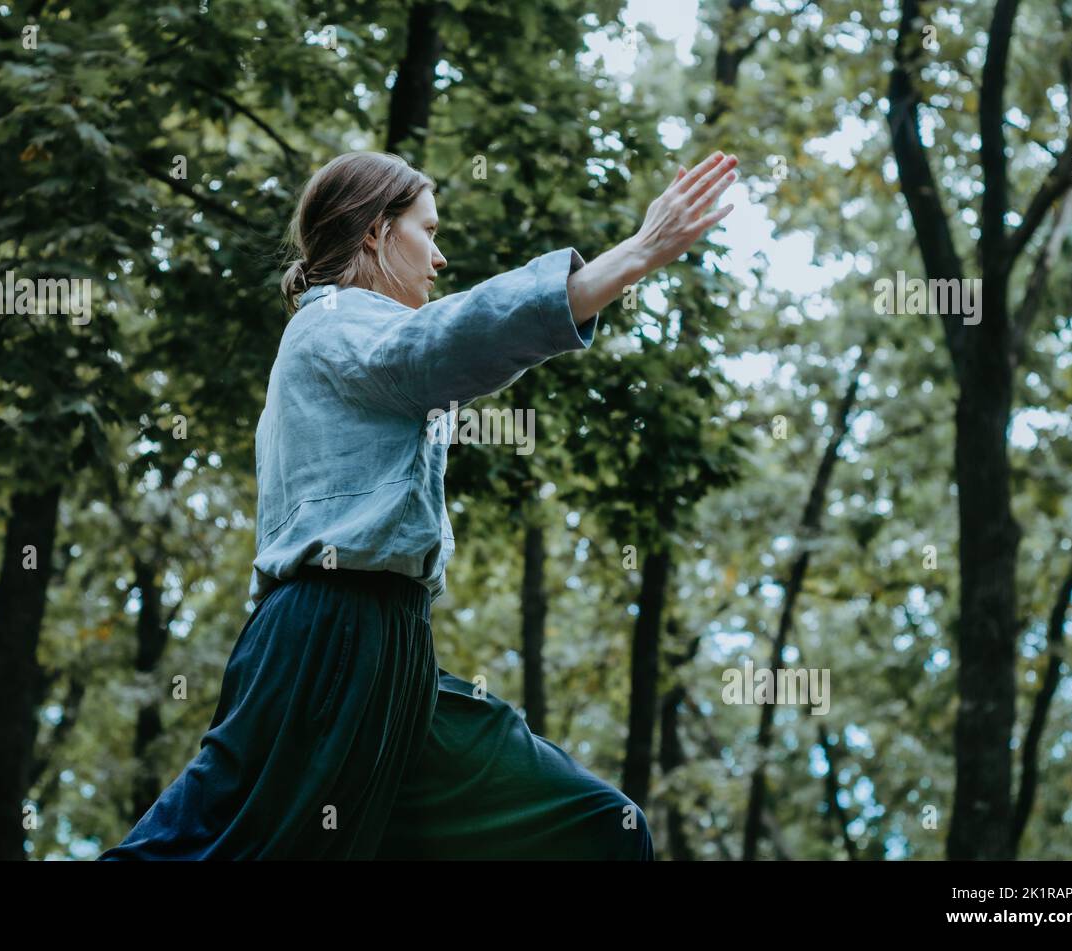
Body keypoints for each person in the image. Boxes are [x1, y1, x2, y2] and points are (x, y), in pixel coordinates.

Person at [99, 148, 739, 860]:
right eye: (426, 231)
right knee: (201, 847)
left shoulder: (353, 338)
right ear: (375, 232)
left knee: (598, 828)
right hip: (326, 643)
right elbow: (446, 342)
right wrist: (635, 255)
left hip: (398, 659)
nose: (438, 257)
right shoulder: (331, 324)